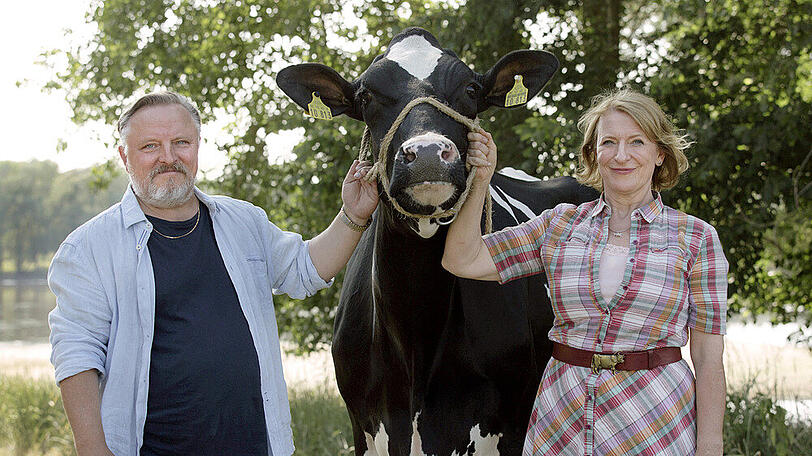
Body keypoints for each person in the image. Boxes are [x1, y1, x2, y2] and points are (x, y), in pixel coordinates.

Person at [48, 91, 379, 456]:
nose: (168, 157)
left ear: (198, 146)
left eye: (181, 143)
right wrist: (94, 450)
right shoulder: (88, 249)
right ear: (125, 156)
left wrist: (354, 215)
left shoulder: (243, 221)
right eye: (150, 146)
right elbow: (77, 355)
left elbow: (304, 268)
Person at [442, 88, 727, 456]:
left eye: (636, 141)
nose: (621, 155)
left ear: (660, 153)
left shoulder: (697, 238)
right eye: (608, 142)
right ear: (594, 154)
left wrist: (710, 445)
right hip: (561, 419)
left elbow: (707, 357)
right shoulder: (559, 225)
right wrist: (480, 181)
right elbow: (461, 259)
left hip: (656, 422)